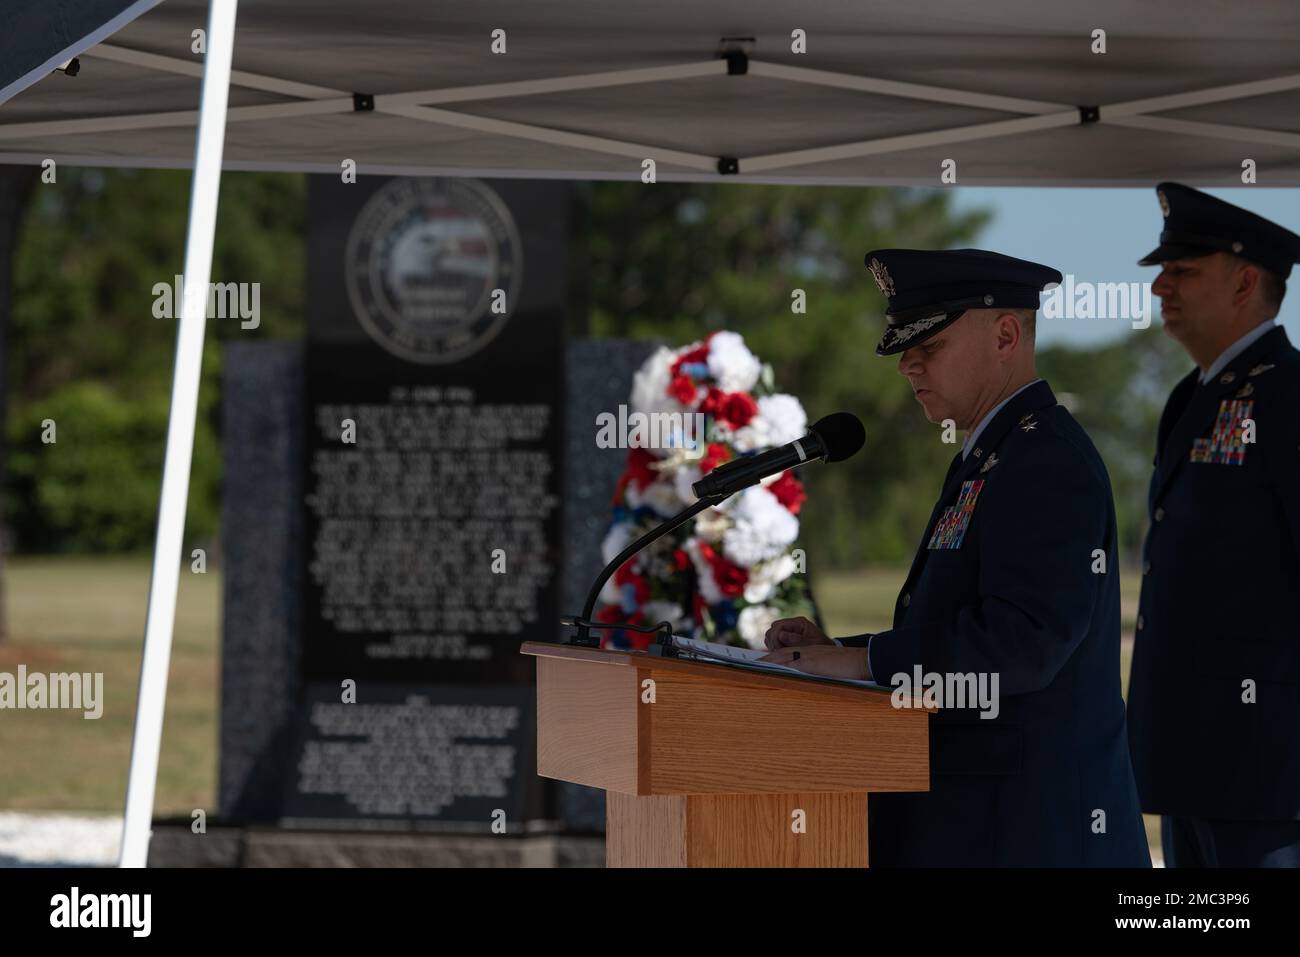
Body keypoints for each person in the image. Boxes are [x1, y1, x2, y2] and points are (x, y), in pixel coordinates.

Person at [761, 248, 1150, 866]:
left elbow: (1022, 643)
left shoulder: (1045, 460)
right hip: (983, 826)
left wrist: (866, 662)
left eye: (931, 344)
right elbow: (955, 620)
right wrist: (839, 652)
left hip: (1028, 833)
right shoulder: (991, 453)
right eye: (904, 347)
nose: (907, 365)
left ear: (1005, 334)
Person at [1126, 182, 1300, 867]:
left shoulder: (1288, 392)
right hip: (1192, 759)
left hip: (1266, 766)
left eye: (1183, 271)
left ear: (1245, 281)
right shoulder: (1191, 396)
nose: (1160, 288)